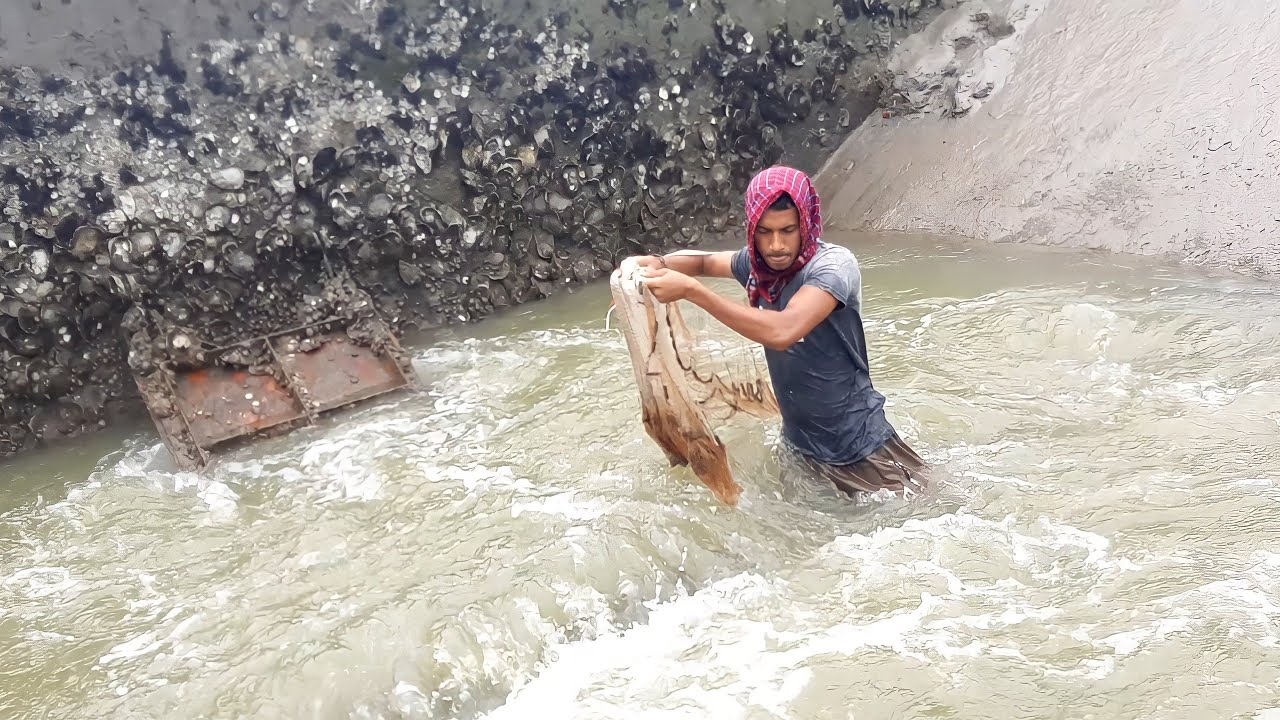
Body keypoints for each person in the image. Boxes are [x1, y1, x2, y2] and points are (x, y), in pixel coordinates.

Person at [629, 165, 932, 498]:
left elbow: (784, 330)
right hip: (800, 447)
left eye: (788, 230)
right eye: (764, 231)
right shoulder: (758, 266)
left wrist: (693, 292)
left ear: (806, 224)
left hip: (861, 448)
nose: (775, 245)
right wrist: (659, 262)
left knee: (926, 510)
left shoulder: (832, 268)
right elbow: (703, 262)